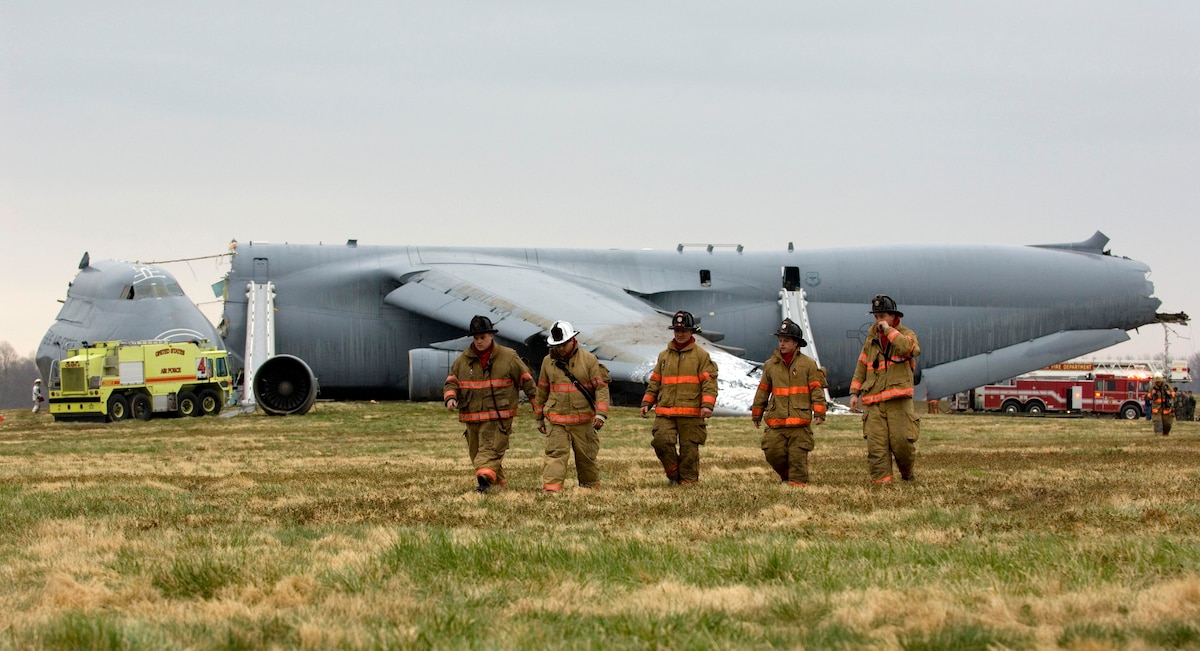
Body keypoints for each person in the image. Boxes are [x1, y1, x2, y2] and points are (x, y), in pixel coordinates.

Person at [444, 315, 537, 492]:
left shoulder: (509, 357)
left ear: (491, 336)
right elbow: (451, 382)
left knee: (488, 453)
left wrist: (538, 407)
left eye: (483, 337)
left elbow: (527, 382)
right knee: (476, 454)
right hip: (471, 418)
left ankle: (483, 485)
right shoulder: (463, 360)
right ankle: (497, 484)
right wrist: (450, 397)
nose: (479, 341)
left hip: (498, 418)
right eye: (476, 338)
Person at [849, 295, 921, 484]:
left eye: (882, 316)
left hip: (898, 399)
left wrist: (889, 331)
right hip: (873, 400)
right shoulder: (871, 339)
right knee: (876, 446)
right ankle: (882, 485)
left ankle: (907, 473)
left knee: (901, 443)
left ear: (893, 317)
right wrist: (854, 393)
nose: (878, 320)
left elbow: (909, 349)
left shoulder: (906, 334)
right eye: (876, 316)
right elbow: (862, 366)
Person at [640, 310, 719, 485]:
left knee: (689, 450)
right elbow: (655, 382)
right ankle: (674, 475)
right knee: (660, 441)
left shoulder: (701, 356)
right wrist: (647, 402)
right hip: (665, 411)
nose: (680, 334)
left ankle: (688, 483)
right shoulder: (663, 356)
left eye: (683, 330)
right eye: (677, 330)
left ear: (691, 332)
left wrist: (707, 405)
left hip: (691, 413)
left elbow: (709, 383)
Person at [533, 320, 610, 493]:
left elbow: (601, 388)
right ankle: (551, 490)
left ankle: (590, 489)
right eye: (558, 345)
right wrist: (539, 418)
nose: (561, 348)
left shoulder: (589, 360)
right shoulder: (547, 362)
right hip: (557, 420)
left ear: (572, 341)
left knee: (586, 458)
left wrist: (601, 414)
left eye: (564, 344)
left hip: (584, 421)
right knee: (555, 455)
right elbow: (542, 390)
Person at [751, 319, 827, 486]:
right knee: (772, 451)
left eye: (786, 340)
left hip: (800, 422)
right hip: (776, 420)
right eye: (780, 340)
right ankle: (787, 475)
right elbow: (763, 390)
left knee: (797, 455)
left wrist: (819, 412)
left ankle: (797, 483)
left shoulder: (808, 364)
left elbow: (816, 390)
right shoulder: (770, 365)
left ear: (796, 343)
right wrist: (757, 412)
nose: (782, 344)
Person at [1146, 372, 1176, 436]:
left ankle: (1165, 434)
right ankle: (1158, 435)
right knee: (1157, 423)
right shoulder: (1152, 388)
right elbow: (1148, 397)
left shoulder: (1167, 387)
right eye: (1156, 382)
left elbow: (1173, 394)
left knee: (1167, 424)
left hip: (1166, 409)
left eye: (1158, 382)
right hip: (1156, 409)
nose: (1157, 383)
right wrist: (1152, 394)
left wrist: (1169, 394)